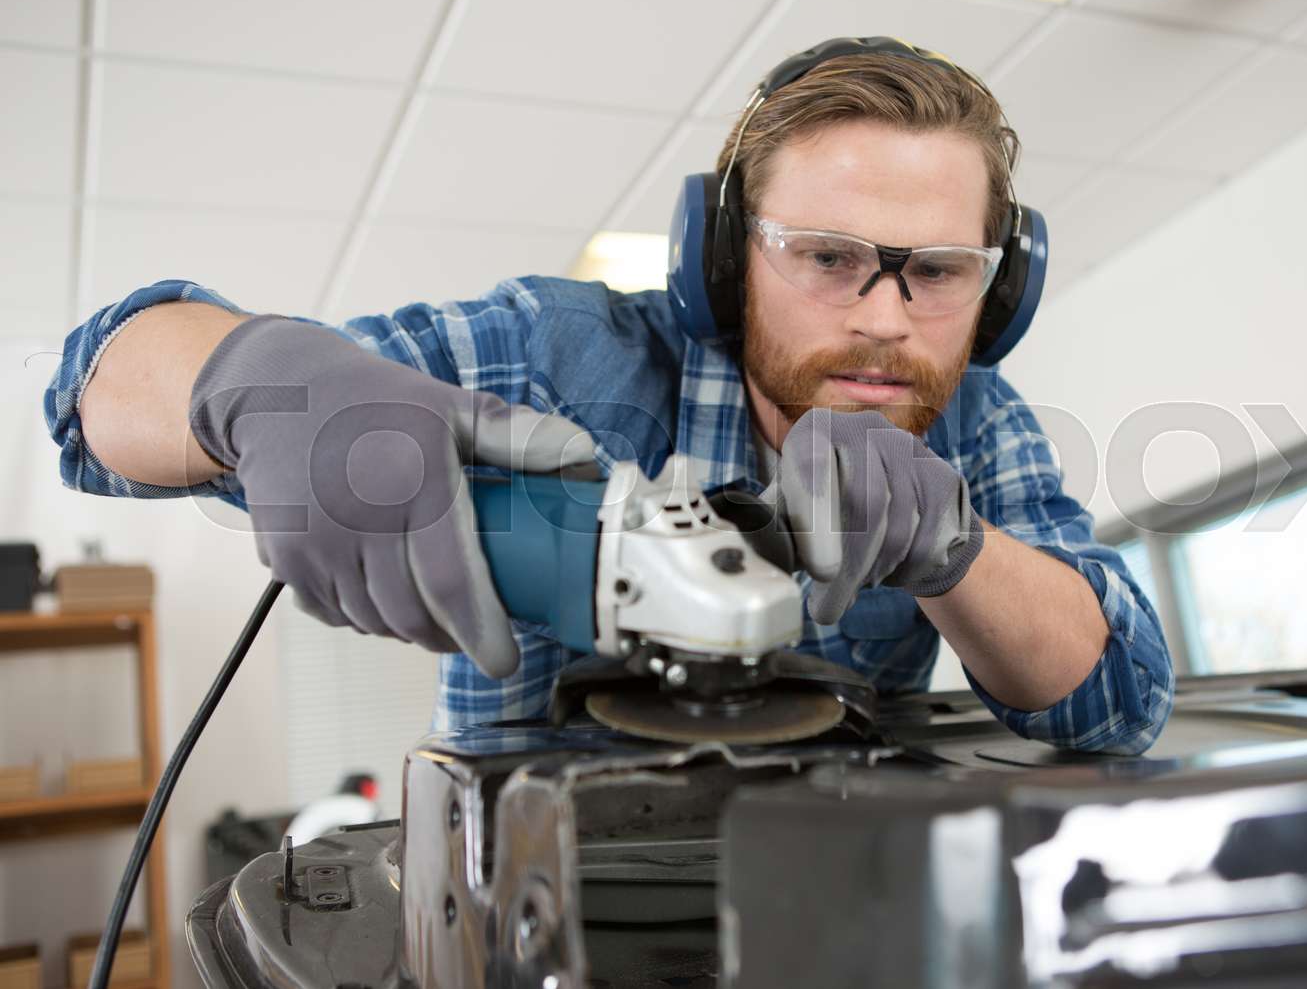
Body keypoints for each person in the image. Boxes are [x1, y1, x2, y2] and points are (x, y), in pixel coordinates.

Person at [43, 38, 1173, 753]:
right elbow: (91, 391)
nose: (885, 318)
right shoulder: (562, 354)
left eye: (935, 271)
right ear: (725, 258)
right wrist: (254, 378)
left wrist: (957, 546)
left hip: (832, 890)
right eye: (827, 257)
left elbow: (1120, 703)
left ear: (1000, 285)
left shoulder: (976, 419)